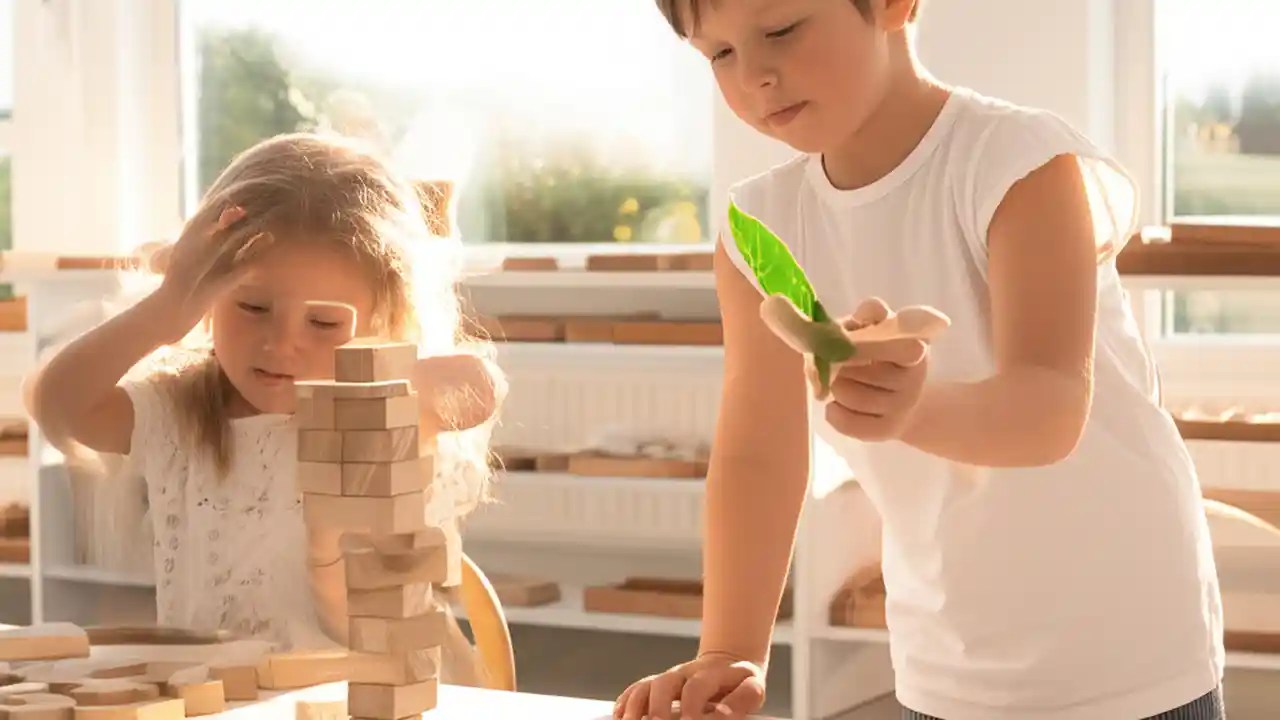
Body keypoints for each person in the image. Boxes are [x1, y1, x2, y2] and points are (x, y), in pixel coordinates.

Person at [614, 1, 1224, 718]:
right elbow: (757, 456)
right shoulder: (760, 232)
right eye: (718, 54)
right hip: (947, 661)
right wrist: (727, 652)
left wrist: (918, 408)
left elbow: (1051, 407)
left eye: (781, 31)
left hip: (1127, 651)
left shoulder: (1019, 161)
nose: (755, 77)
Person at [24, 132, 505, 685]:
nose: (281, 344)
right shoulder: (180, 410)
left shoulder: (381, 418)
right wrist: (165, 309)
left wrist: (377, 384)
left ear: (382, 318)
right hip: (218, 700)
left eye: (324, 323)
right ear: (207, 297)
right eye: (252, 306)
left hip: (357, 698)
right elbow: (56, 405)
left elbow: (476, 385)